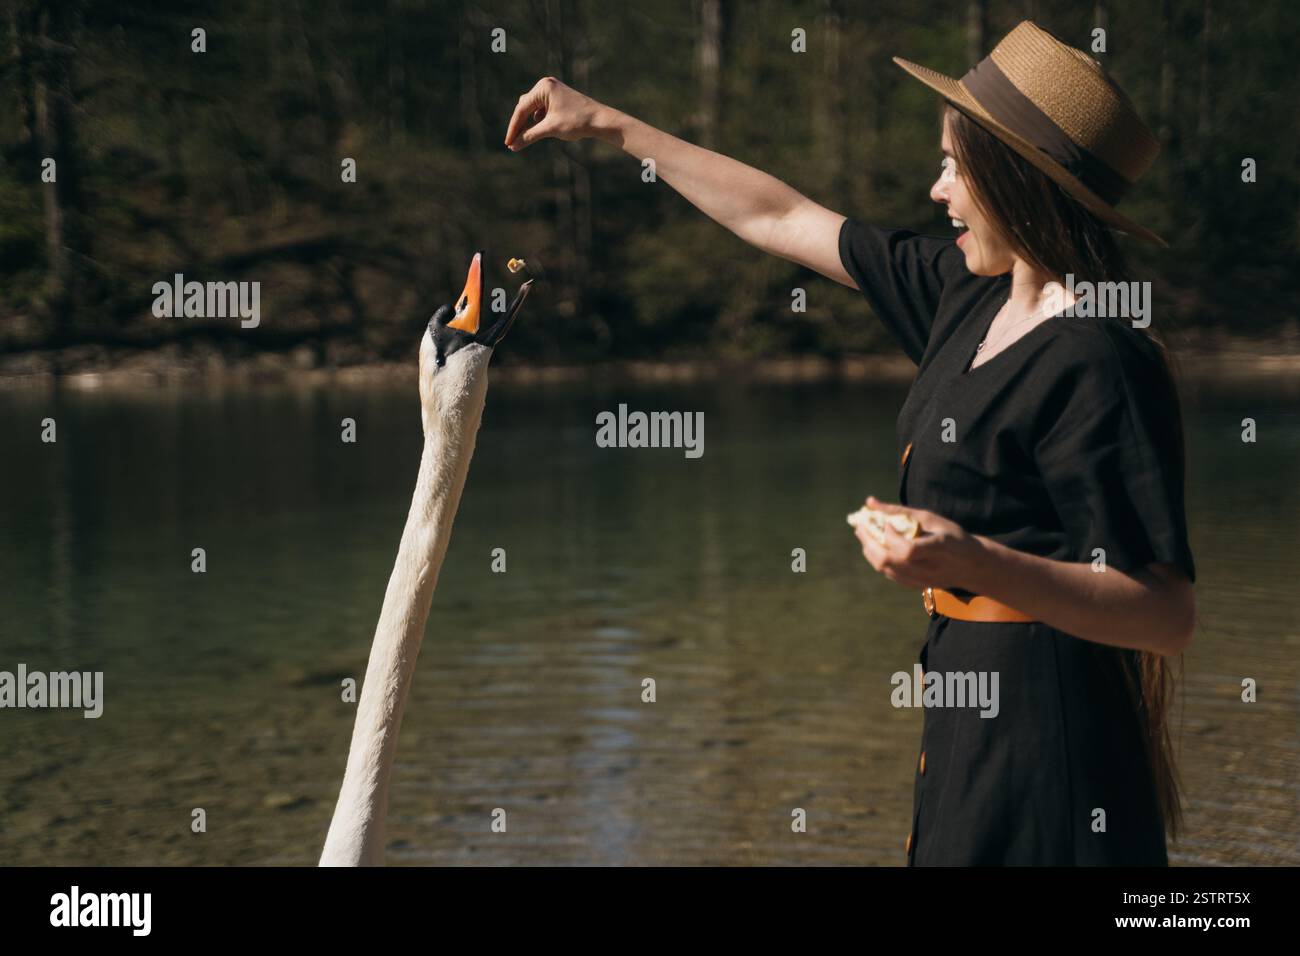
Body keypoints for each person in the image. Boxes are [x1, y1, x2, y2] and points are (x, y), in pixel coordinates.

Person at [504, 20, 1196, 865]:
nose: (937, 191)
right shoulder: (967, 294)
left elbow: (1165, 615)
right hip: (968, 703)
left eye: (953, 166)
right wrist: (609, 124)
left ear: (1016, 177)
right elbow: (779, 215)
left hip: (1049, 737)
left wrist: (974, 560)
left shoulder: (1100, 356)